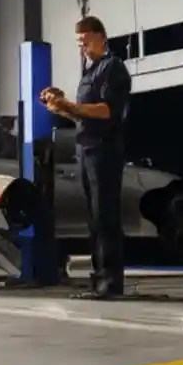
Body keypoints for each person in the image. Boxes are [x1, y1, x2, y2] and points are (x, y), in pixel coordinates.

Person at [41, 16, 132, 299]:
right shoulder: (89, 72)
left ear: (101, 37)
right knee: (93, 218)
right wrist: (58, 107)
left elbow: (106, 111)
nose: (82, 47)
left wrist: (71, 105)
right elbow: (80, 114)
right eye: (79, 43)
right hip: (87, 149)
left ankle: (111, 283)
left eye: (86, 40)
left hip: (104, 149)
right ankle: (98, 280)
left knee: (105, 216)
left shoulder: (112, 68)